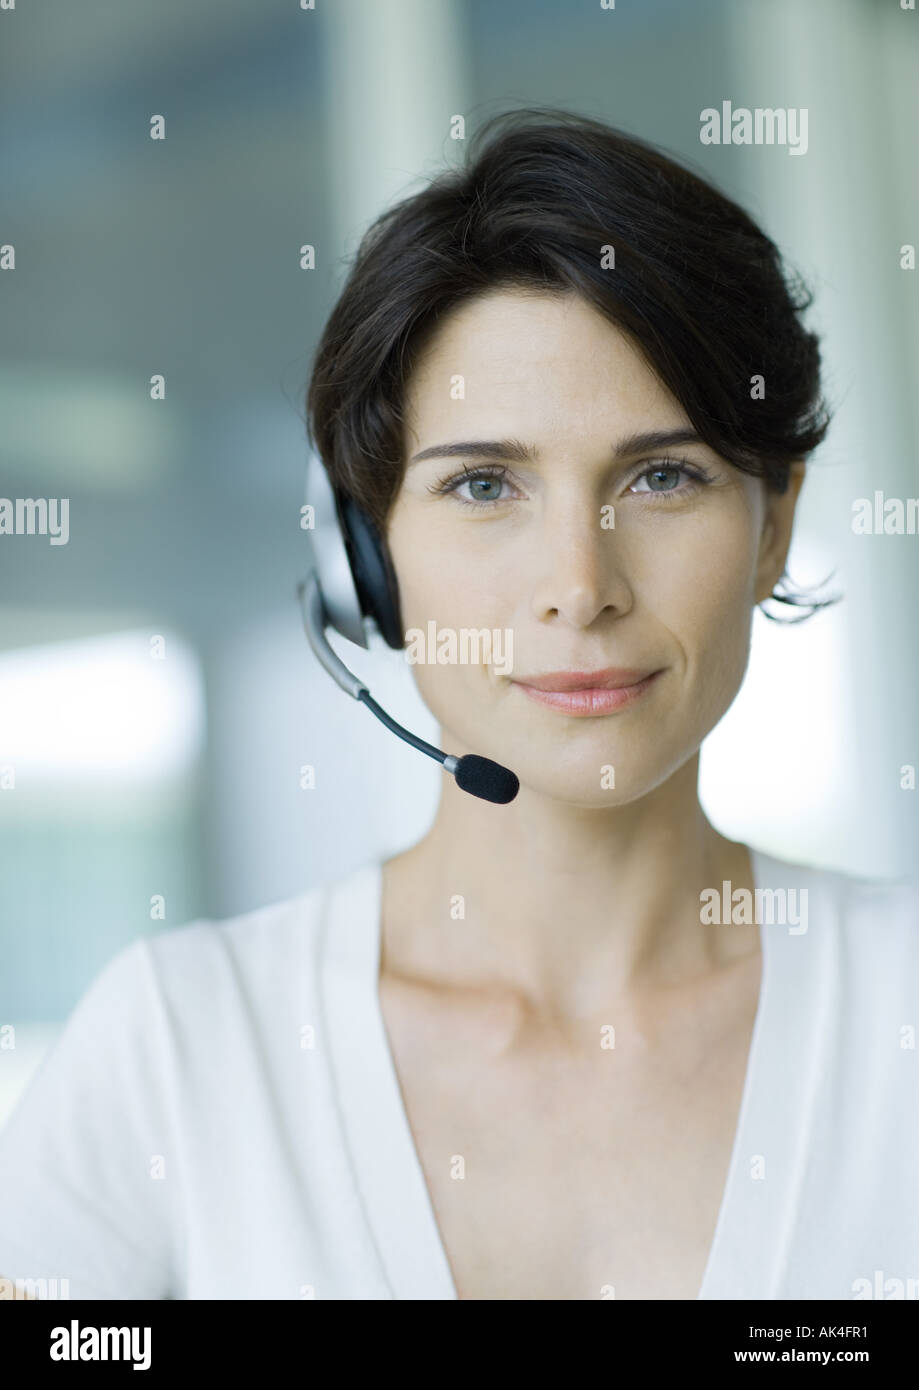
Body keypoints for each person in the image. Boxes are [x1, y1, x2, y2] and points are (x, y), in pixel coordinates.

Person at [1, 109, 916, 1303]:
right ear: (366, 559)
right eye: (484, 483)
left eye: (662, 475)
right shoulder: (177, 1047)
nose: (579, 589)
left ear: (772, 528)